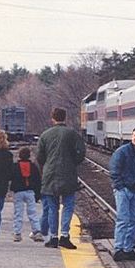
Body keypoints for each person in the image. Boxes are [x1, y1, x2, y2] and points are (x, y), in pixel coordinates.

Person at [36, 107, 86, 249]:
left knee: (52, 208)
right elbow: (81, 152)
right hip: (68, 175)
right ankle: (64, 235)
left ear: (52, 118)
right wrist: (73, 162)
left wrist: (47, 166)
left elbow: (39, 156)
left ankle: (53, 237)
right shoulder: (72, 134)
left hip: (50, 175)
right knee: (68, 206)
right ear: (65, 117)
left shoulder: (45, 135)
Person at [109, 127, 135, 261]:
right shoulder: (122, 151)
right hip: (124, 190)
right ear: (132, 136)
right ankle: (118, 248)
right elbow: (114, 170)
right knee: (123, 219)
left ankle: (128, 248)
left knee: (134, 220)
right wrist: (120, 186)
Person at [11, 146, 42, 242]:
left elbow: (11, 177)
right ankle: (36, 232)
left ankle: (17, 233)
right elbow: (38, 181)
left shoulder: (15, 166)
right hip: (30, 192)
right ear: (29, 155)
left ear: (19, 155)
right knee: (32, 212)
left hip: (18, 192)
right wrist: (37, 195)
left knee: (18, 213)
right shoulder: (33, 166)